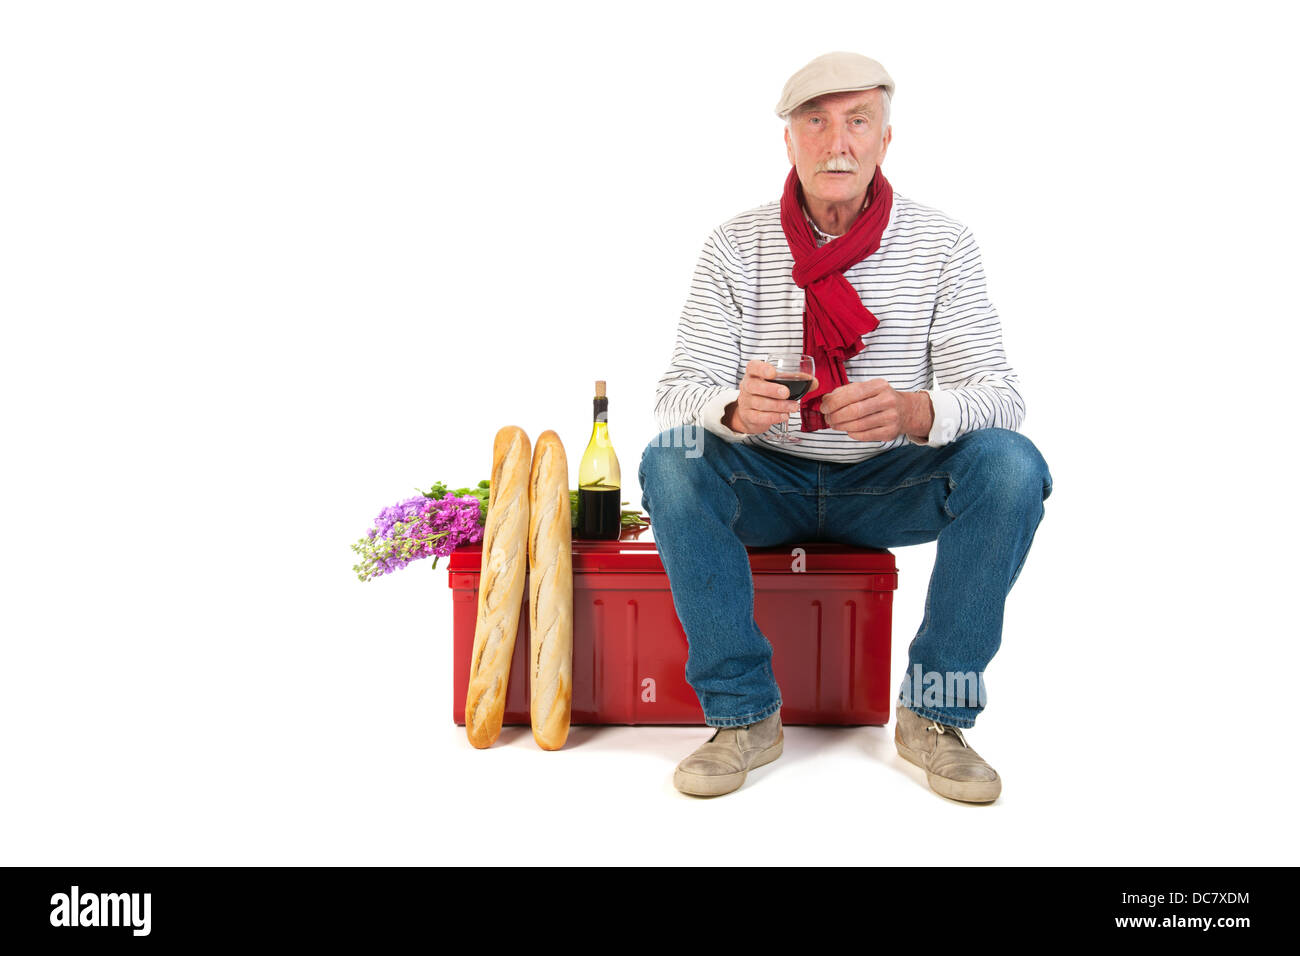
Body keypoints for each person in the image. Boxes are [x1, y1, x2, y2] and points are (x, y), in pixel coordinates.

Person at [638, 51, 1053, 802]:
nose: (838, 140)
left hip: (890, 481)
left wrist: (915, 410)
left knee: (1013, 463)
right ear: (789, 140)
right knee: (671, 455)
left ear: (885, 141)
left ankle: (934, 714)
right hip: (767, 477)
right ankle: (742, 716)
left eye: (858, 121)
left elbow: (1000, 395)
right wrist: (732, 409)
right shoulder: (735, 245)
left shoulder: (942, 244)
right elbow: (674, 395)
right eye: (816, 120)